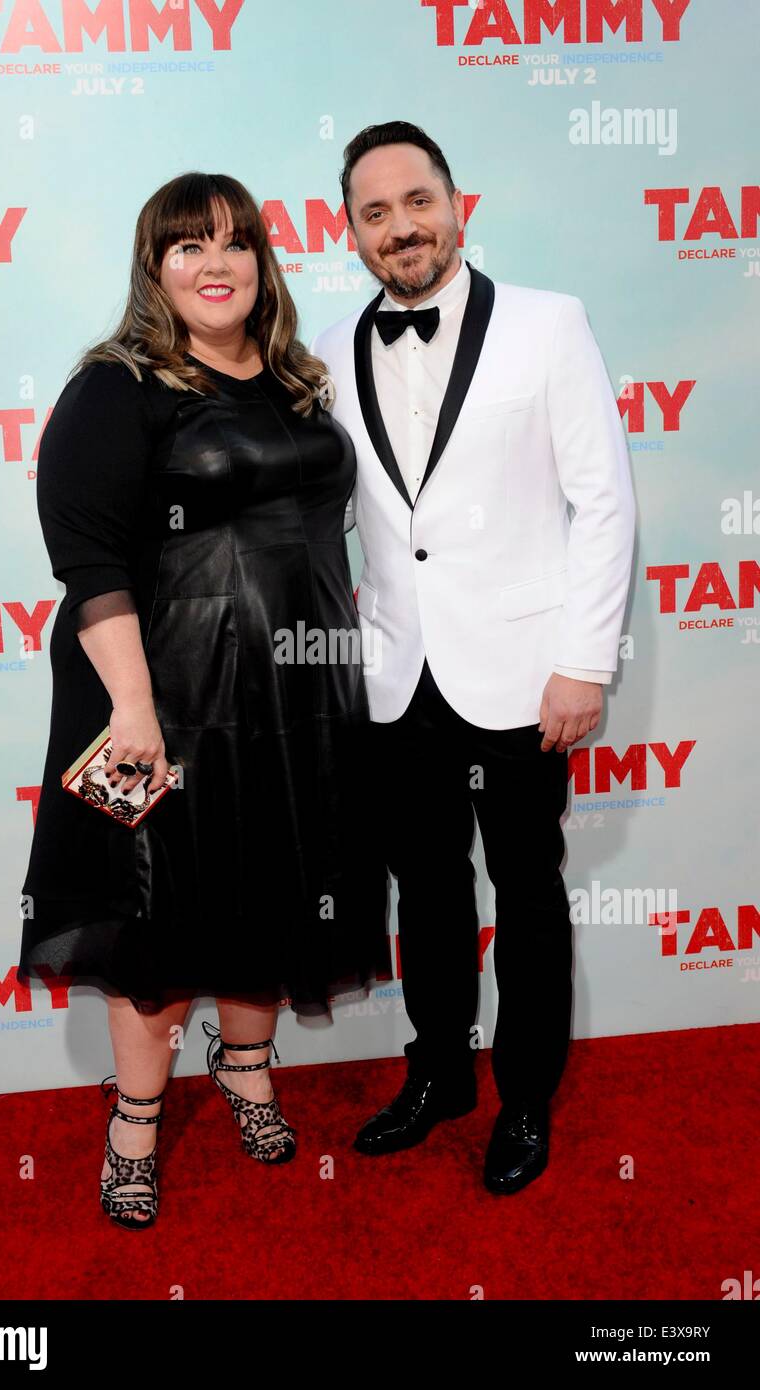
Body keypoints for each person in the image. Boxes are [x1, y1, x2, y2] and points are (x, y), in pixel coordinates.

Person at [18, 171, 391, 1230]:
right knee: (160, 911)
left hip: (301, 690)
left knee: (282, 879)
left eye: (235, 243)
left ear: (263, 263)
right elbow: (87, 560)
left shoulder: (299, 381)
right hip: (165, 689)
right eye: (188, 246)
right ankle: (137, 1118)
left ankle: (247, 1067)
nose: (215, 263)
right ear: (154, 268)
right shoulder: (117, 384)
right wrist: (134, 711)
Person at [312, 121, 636, 1195]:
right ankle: (441, 1072)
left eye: (418, 200)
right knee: (429, 895)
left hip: (521, 674)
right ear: (350, 230)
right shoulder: (329, 348)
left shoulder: (549, 325)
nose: (400, 225)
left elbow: (604, 502)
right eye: (374, 210)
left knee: (528, 892)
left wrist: (585, 663)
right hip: (399, 674)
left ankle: (526, 1098)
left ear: (459, 205)